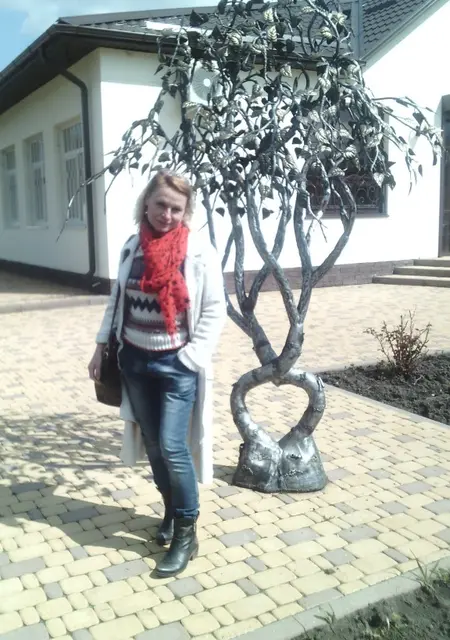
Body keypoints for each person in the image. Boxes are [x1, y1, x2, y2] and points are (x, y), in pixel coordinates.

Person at [88, 171, 227, 577]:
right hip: (134, 362)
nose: (167, 214)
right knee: (153, 445)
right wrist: (101, 345)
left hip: (176, 367)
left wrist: (190, 358)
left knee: (172, 446)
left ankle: (186, 532)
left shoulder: (198, 252)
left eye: (176, 209)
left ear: (186, 212)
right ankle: (169, 509)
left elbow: (215, 309)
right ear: (146, 203)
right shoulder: (132, 246)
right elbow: (117, 301)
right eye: (161, 205)